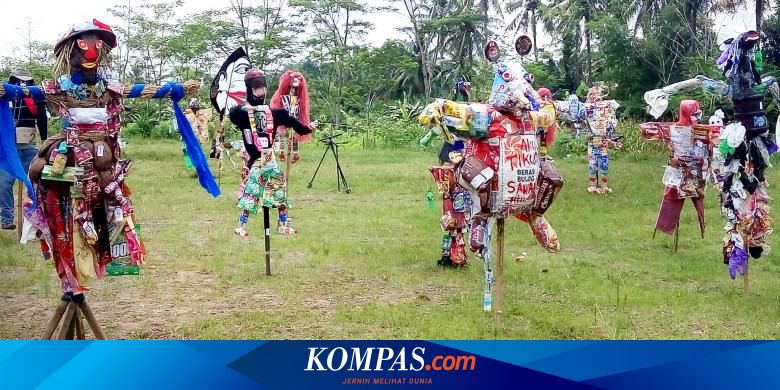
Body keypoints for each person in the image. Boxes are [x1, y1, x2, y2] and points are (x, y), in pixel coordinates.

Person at [229, 69, 317, 237]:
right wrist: (245, 108)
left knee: (278, 192)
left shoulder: (275, 113)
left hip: (270, 159)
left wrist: (308, 128)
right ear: (249, 88)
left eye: (261, 86)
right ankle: (240, 225)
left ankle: (283, 224)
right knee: (251, 193)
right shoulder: (242, 114)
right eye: (256, 87)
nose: (259, 91)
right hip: (255, 160)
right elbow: (232, 114)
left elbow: (294, 123)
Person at [0, 69, 47, 230]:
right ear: (12, 81)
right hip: (8, 151)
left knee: (35, 184)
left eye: (25, 81)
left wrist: (45, 140)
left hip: (29, 148)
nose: (22, 83)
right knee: (4, 184)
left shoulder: (36, 97)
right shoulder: (4, 96)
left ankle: (36, 221)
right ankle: (7, 219)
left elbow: (41, 119)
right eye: (18, 80)